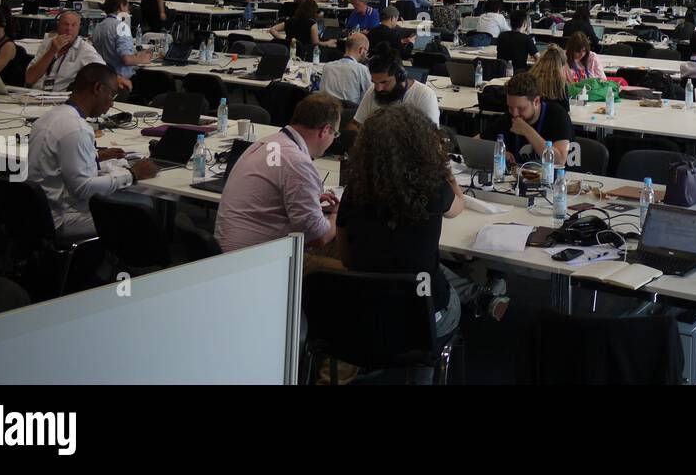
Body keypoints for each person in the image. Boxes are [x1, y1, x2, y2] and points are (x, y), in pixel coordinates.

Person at [336, 104, 507, 348]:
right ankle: (425, 365)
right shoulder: (433, 186)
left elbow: (346, 258)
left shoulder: (354, 190)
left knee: (417, 265)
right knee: (425, 266)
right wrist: (442, 166)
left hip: (366, 316)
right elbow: (458, 206)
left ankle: (478, 296)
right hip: (426, 317)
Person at [27, 64, 160, 240]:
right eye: (112, 94)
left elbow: (60, 164)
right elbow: (83, 189)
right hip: (60, 219)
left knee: (126, 197)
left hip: (35, 212)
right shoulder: (76, 128)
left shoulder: (50, 117)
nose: (112, 103)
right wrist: (132, 174)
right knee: (142, 209)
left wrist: (94, 156)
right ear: (98, 88)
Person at [215, 92, 340, 256]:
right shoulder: (298, 163)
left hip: (227, 253)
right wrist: (337, 213)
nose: (333, 140)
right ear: (325, 130)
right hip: (255, 264)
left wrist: (311, 197)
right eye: (335, 134)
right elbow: (319, 237)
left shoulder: (266, 142)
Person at [492, 70, 573, 168]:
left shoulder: (557, 115)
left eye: (521, 108)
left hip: (554, 179)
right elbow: (476, 143)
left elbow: (559, 161)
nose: (514, 113)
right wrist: (499, 153)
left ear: (536, 101)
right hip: (517, 179)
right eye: (510, 107)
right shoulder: (510, 116)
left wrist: (526, 130)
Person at [352, 50, 440, 126]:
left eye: (384, 82)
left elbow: (431, 137)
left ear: (400, 77)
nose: (378, 88)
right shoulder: (372, 91)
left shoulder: (424, 95)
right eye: (375, 82)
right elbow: (356, 124)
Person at [25, 11, 105, 91]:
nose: (69, 29)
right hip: (34, 94)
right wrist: (51, 52)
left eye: (73, 25)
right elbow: (29, 79)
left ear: (79, 28)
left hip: (60, 99)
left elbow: (104, 75)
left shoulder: (85, 50)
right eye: (65, 24)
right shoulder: (47, 44)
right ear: (58, 25)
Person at [89, 0, 152, 92]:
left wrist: (136, 55)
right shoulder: (122, 27)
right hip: (122, 81)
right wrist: (142, 59)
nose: (128, 10)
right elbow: (126, 60)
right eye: (127, 6)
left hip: (104, 79)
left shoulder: (98, 27)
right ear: (121, 6)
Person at [319, 32, 371, 106]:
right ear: (361, 50)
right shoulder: (362, 70)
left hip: (328, 112)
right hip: (351, 114)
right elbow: (370, 97)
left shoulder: (327, 67)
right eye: (366, 52)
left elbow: (321, 94)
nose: (366, 55)